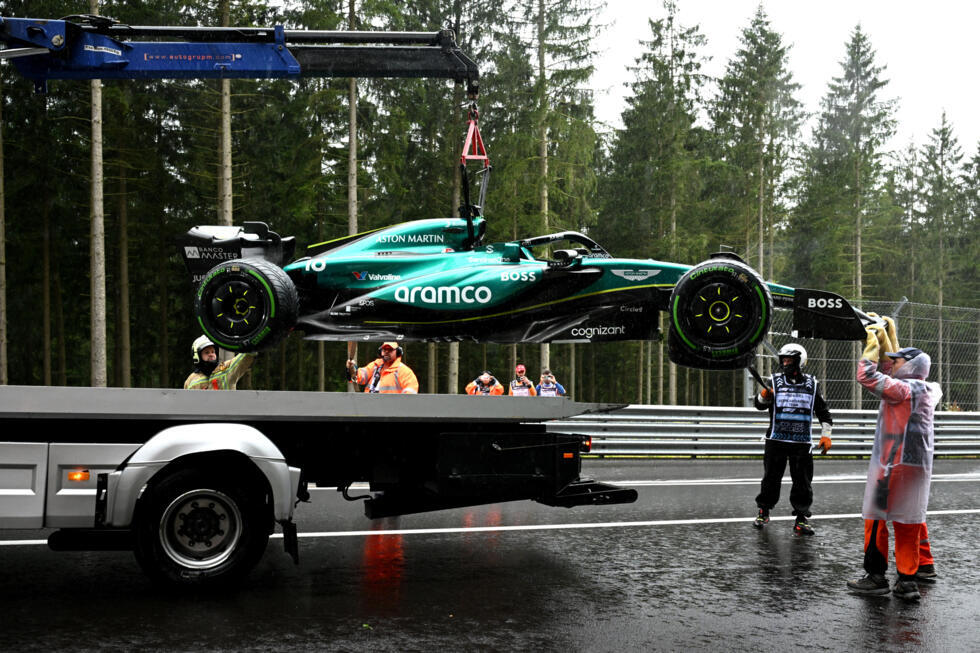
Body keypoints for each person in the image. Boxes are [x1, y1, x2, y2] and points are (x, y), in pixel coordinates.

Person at [846, 317, 940, 601]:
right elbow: (896, 371)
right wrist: (890, 337)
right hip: (917, 469)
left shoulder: (900, 391)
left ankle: (876, 577)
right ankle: (907, 581)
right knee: (908, 521)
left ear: (909, 366)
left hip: (891, 467)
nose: (892, 363)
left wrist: (871, 346)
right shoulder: (931, 389)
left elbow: (867, 376)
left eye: (898, 360)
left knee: (875, 518)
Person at [752, 343, 833, 535]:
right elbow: (759, 405)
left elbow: (823, 411)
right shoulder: (773, 381)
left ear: (799, 361)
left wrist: (826, 435)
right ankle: (763, 511)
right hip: (776, 440)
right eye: (784, 360)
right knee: (771, 478)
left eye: (789, 360)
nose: (785, 363)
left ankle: (801, 519)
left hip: (801, 443)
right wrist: (763, 396)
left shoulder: (812, 384)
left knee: (803, 483)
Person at [183, 335, 256, 390]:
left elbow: (241, 361)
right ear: (197, 357)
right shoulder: (191, 380)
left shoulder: (225, 368)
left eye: (213, 352)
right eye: (207, 352)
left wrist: (249, 348)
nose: (211, 354)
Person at [346, 342, 419, 394]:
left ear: (398, 352)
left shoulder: (404, 371)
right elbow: (357, 377)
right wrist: (351, 368)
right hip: (369, 407)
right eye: (384, 349)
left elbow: (411, 393)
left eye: (390, 349)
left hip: (390, 410)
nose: (386, 351)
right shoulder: (376, 365)